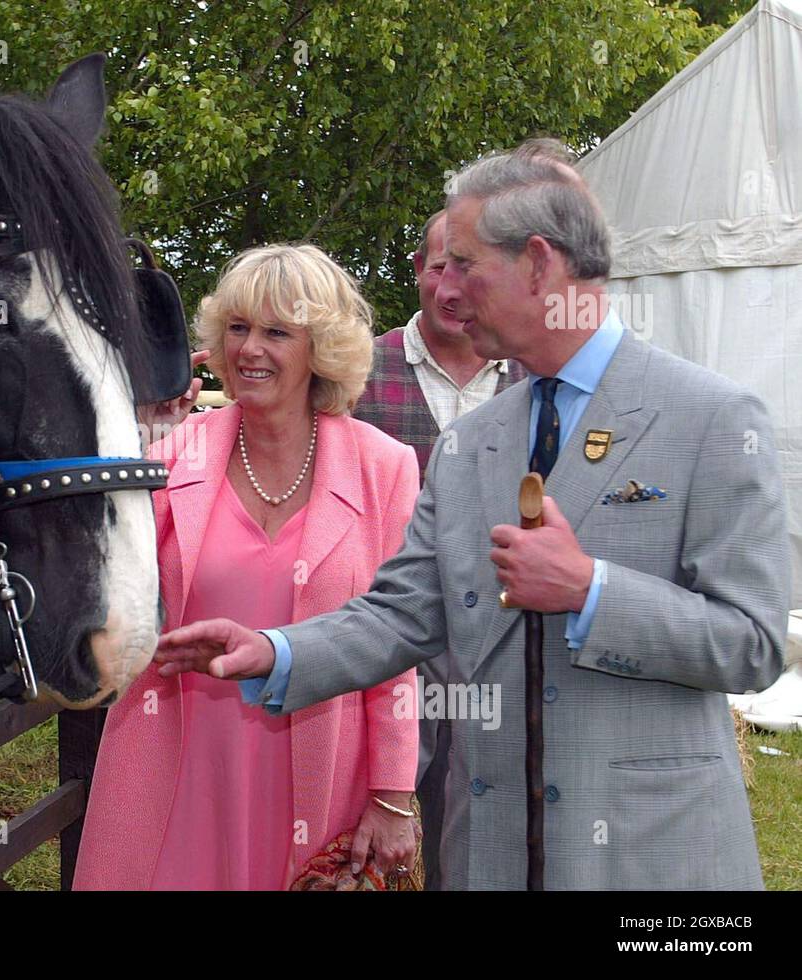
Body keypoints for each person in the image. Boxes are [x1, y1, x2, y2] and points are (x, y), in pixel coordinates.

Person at [155, 148, 788, 889]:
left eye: (462, 263)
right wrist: (275, 651)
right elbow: (401, 614)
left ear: (539, 264)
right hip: (487, 858)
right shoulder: (469, 444)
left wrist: (592, 591)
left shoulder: (711, 418)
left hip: (648, 863)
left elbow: (753, 644)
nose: (444, 290)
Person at [75, 243, 421, 890]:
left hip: (322, 770)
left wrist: (393, 794)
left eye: (276, 332)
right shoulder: (174, 454)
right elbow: (101, 576)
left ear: (319, 348)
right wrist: (137, 439)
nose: (249, 349)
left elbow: (398, 640)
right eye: (237, 328)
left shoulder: (385, 468)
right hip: (179, 766)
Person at [354, 208, 524, 889]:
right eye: (439, 265)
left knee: (484, 835)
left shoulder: (536, 380)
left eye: (470, 267)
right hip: (386, 649)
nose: (452, 286)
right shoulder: (354, 370)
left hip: (501, 651)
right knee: (367, 831)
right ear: (417, 272)